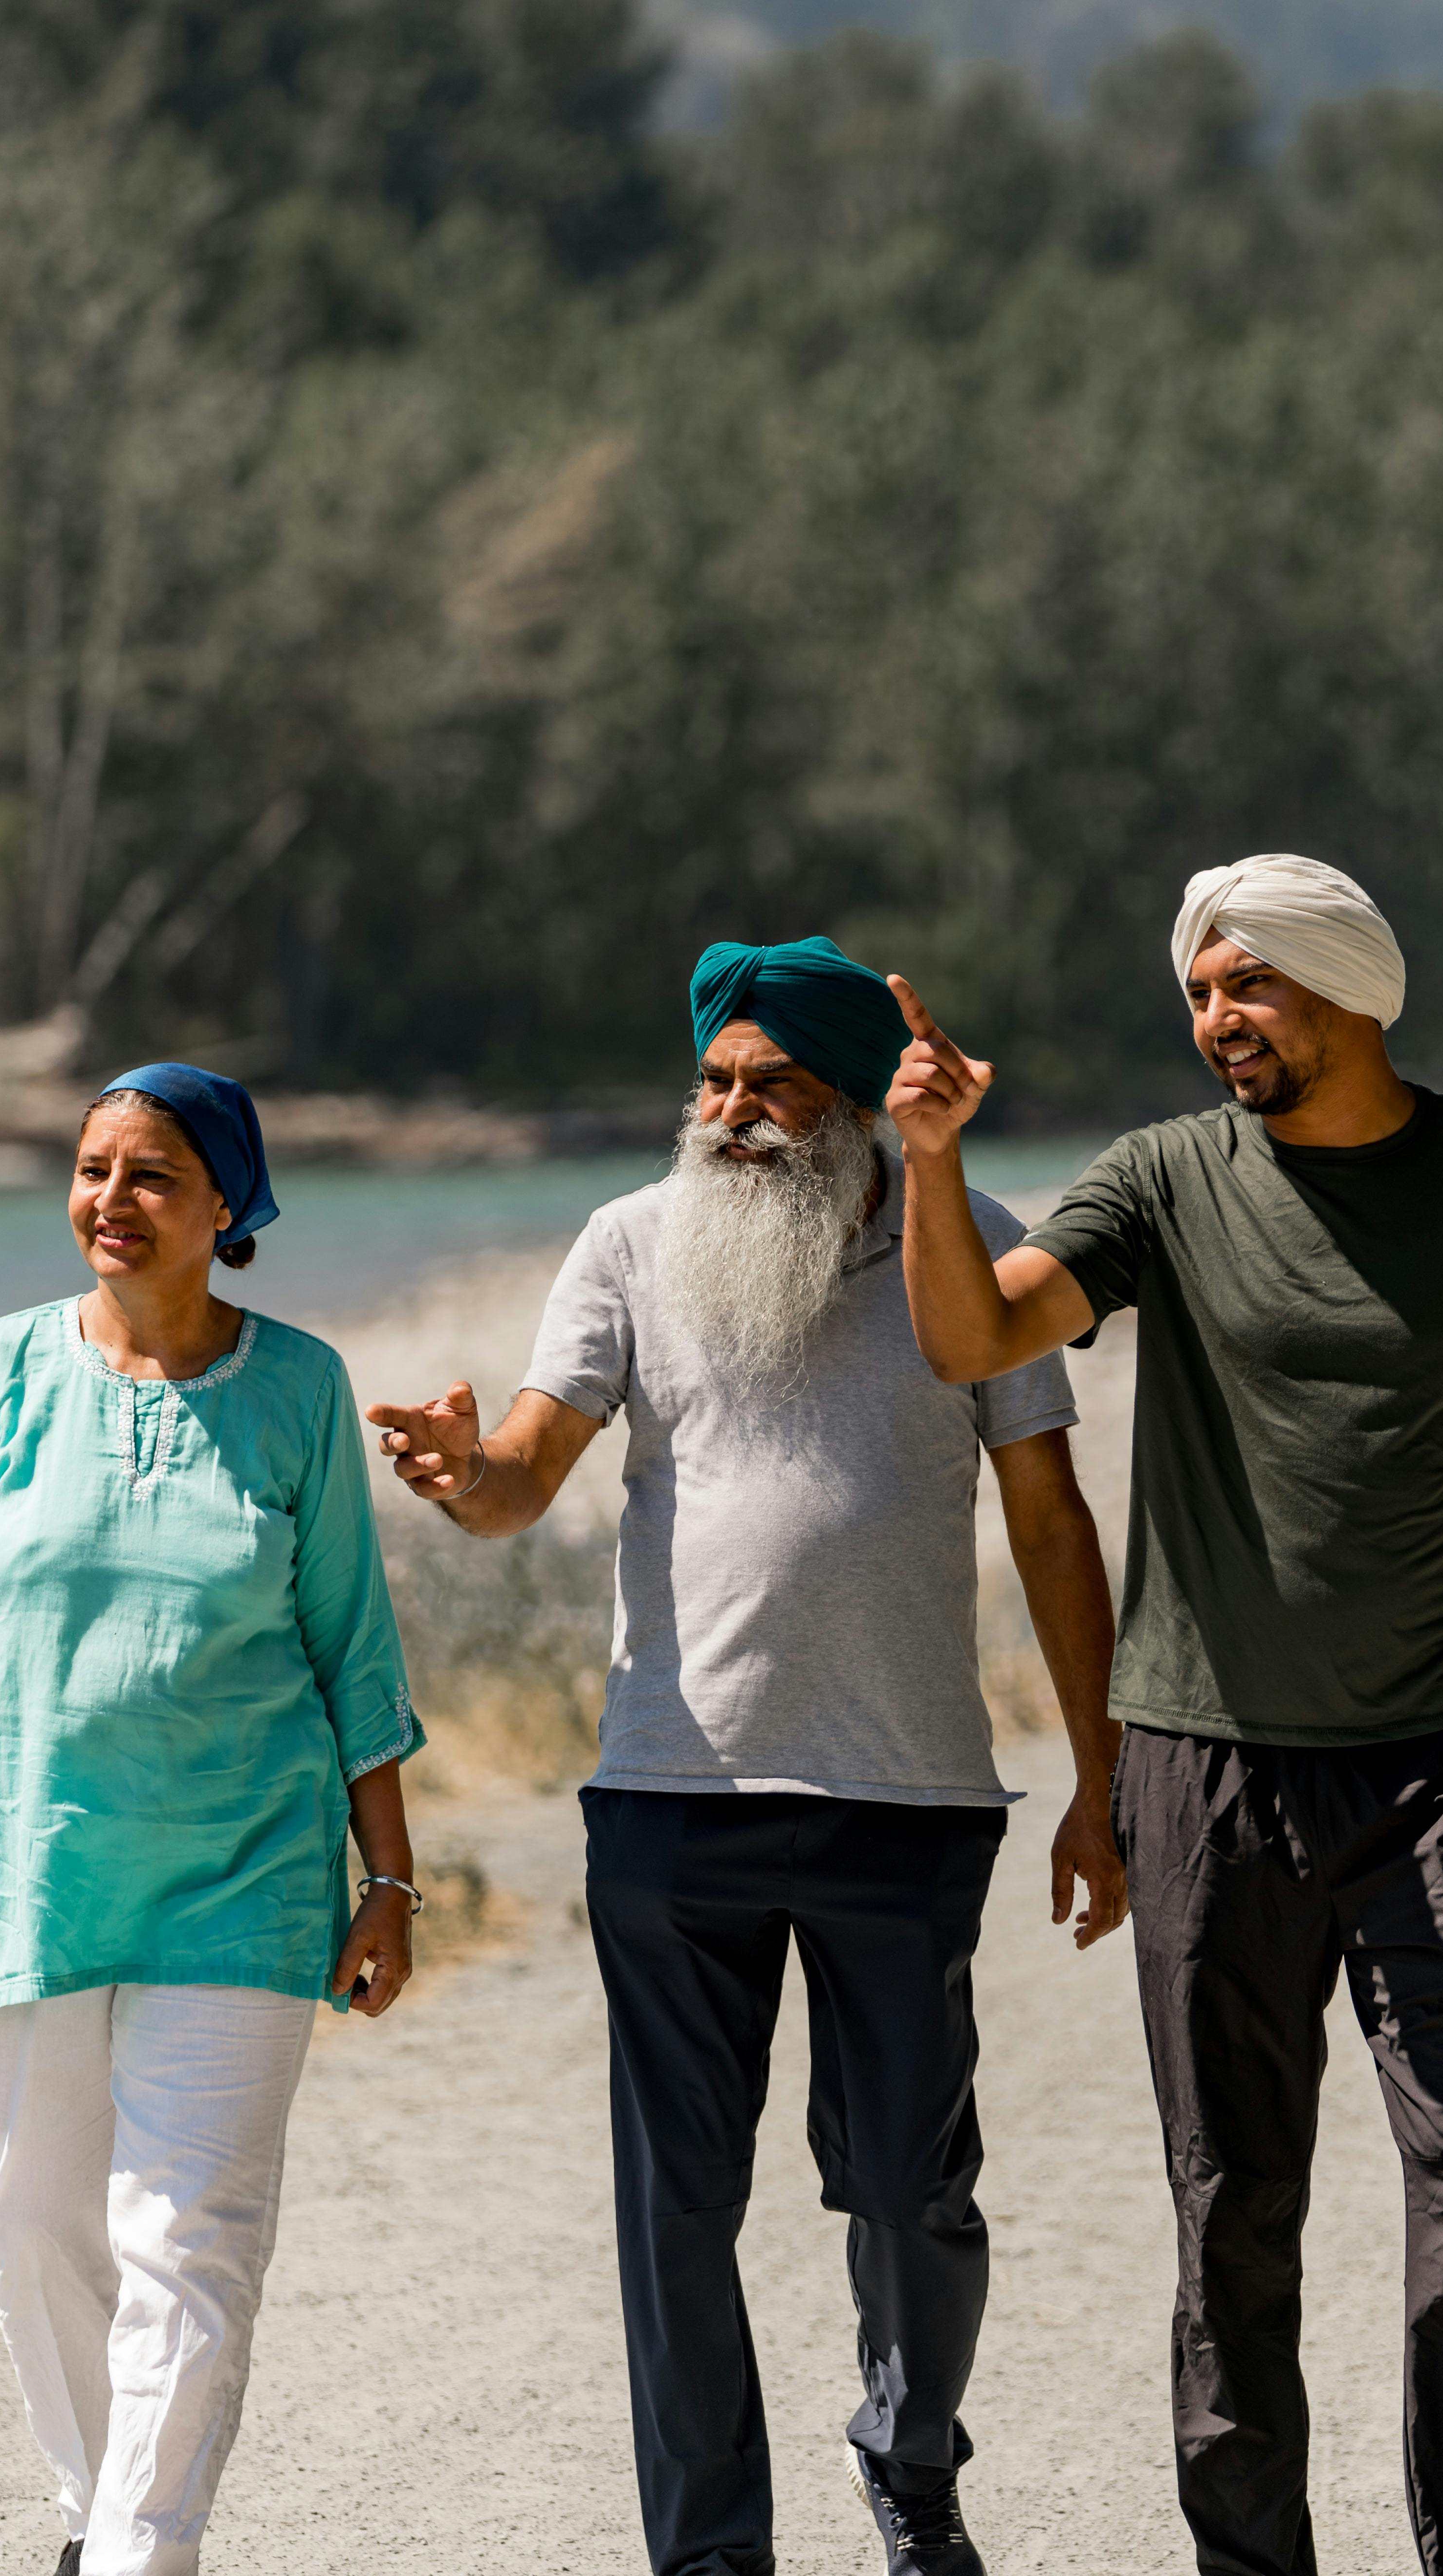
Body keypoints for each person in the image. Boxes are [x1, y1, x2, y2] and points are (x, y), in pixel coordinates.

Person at [888, 856, 1443, 2576]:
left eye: (1248, 985)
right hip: (1205, 1774)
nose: (1216, 1019)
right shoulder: (1162, 1181)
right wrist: (932, 1163)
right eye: (1199, 992)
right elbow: (972, 1338)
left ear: (1348, 990)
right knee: (1232, 2212)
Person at [362, 937, 1123, 2576]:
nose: (729, 1113)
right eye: (713, 1081)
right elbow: (526, 1474)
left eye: (771, 1086)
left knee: (914, 2191)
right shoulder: (631, 1243)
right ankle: (711, 2554)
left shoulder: (977, 1245)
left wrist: (1100, 1778)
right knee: (677, 2209)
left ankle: (912, 2459)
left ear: (854, 1104)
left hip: (908, 1801)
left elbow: (1054, 1523)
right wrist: (464, 1473)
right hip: (671, 1797)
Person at [0, 1062, 426, 2576]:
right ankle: (104, 2521)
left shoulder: (299, 1391)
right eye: (93, 1169)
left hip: (241, 1886)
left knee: (188, 2247)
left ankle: (143, 2554)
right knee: (28, 2232)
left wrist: (390, 1880)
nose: (111, 1200)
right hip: (21, 1874)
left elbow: (352, 1650)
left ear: (226, 1207)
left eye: (152, 1175)